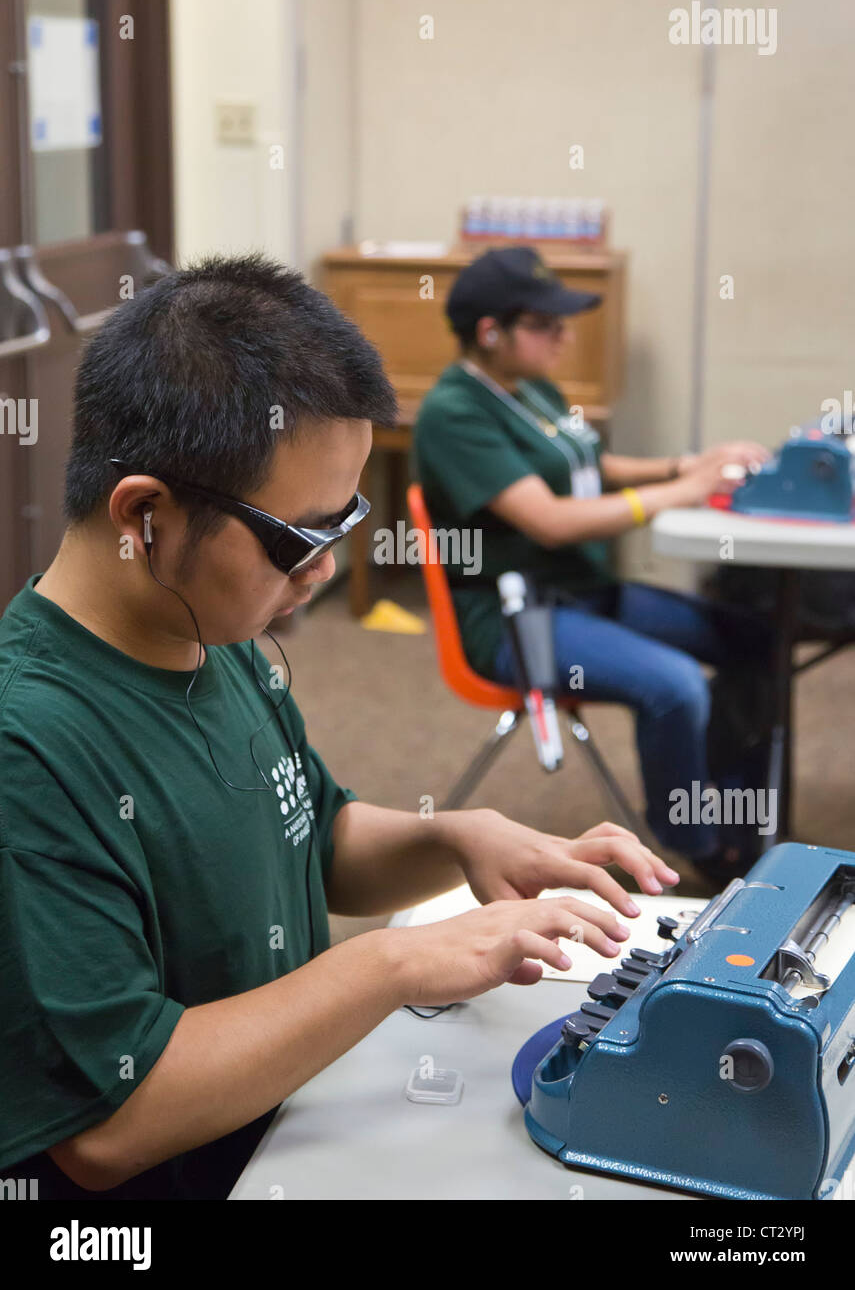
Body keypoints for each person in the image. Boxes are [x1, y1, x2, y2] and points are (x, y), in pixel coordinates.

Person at [0, 253, 680, 1201]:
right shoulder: (28, 748)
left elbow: (309, 838)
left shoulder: (208, 625)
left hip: (288, 1117)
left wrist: (455, 835)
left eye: (347, 521)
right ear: (145, 517)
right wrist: (392, 963)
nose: (321, 573)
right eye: (297, 538)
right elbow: (109, 1129)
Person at [413, 246, 773, 883]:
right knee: (676, 685)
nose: (564, 334)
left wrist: (682, 466)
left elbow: (589, 464)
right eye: (545, 324)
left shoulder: (530, 389)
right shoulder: (452, 413)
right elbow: (547, 519)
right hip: (514, 618)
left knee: (753, 640)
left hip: (582, 591)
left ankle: (742, 812)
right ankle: (701, 845)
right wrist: (678, 494)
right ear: (490, 332)